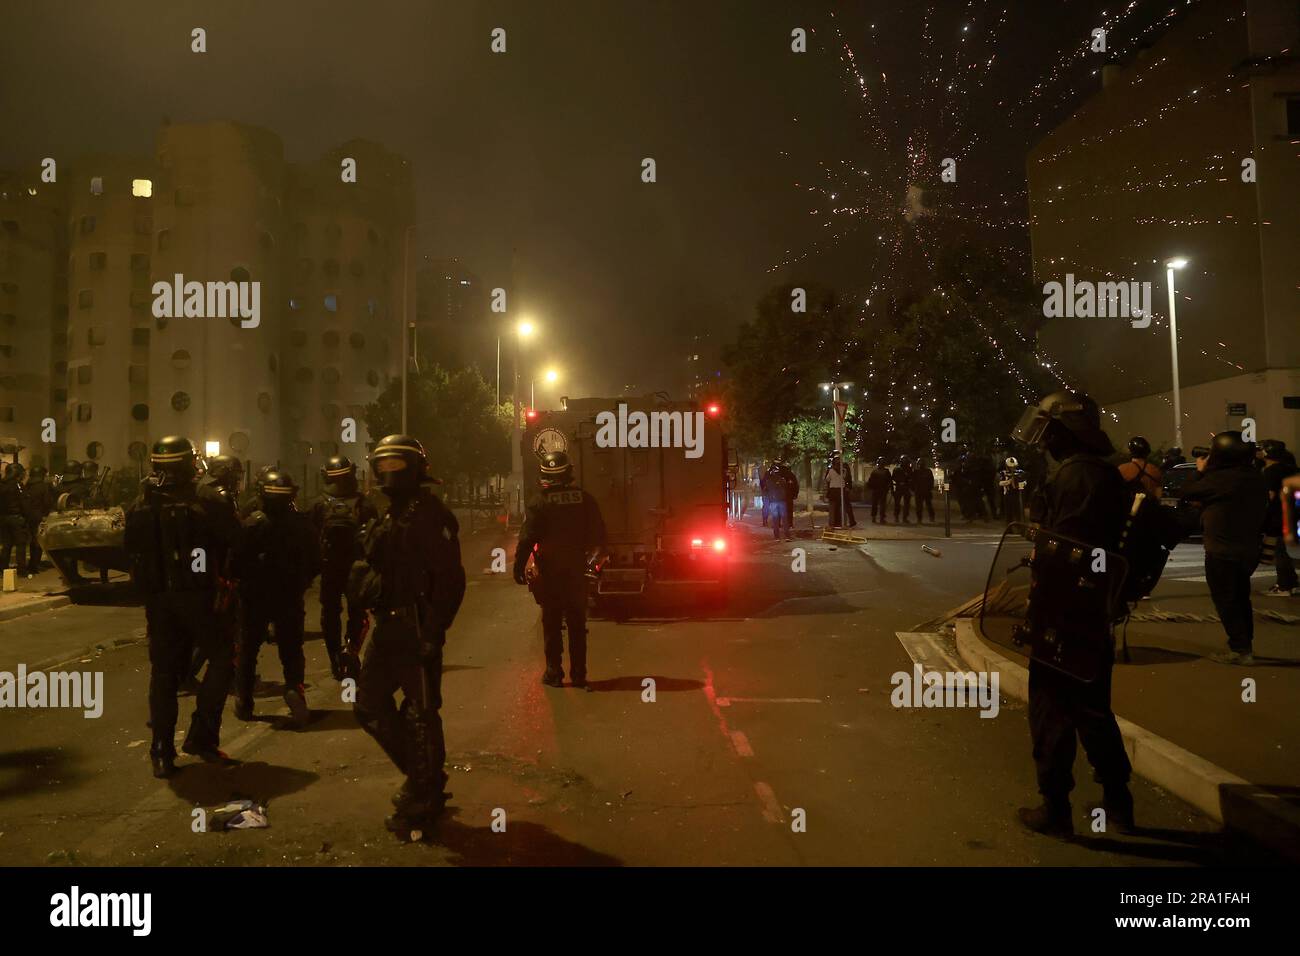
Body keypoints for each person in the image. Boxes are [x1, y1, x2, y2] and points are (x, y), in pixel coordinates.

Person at [1010, 390, 1134, 836]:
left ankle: (1055, 808)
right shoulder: (1100, 472)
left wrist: (1039, 601)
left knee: (1051, 711)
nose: (1043, 439)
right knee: (1093, 708)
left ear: (1065, 429)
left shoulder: (1077, 477)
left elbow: (1067, 551)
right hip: (1090, 610)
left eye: (1049, 429)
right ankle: (1119, 802)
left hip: (1065, 612)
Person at [351, 435, 466, 833]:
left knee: (420, 715)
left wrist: (433, 633)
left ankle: (424, 797)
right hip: (386, 627)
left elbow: (450, 582)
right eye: (381, 465)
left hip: (417, 627)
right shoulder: (386, 511)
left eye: (396, 465)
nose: (387, 473)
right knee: (368, 706)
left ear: (415, 468)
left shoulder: (432, 515)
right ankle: (424, 777)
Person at [123, 436, 242, 778]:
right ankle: (202, 736)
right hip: (202, 598)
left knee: (163, 674)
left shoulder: (140, 503)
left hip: (159, 601)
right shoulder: (209, 499)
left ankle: (161, 750)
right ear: (190, 463)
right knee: (222, 659)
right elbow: (238, 542)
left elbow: (129, 549)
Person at [232, 470, 321, 726]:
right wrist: (301, 582)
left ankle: (244, 701)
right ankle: (294, 691)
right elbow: (316, 561)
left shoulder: (252, 524)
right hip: (289, 595)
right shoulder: (303, 525)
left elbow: (235, 561)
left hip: (254, 597)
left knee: (249, 650)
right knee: (292, 649)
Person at [513, 450, 606, 688]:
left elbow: (526, 538)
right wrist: (593, 565)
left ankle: (554, 673)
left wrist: (518, 567)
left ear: (544, 474)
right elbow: (599, 538)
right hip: (576, 572)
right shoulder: (585, 499)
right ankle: (579, 674)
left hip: (550, 573)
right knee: (577, 624)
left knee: (552, 623)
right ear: (569, 473)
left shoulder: (539, 502)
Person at [1178, 433, 1269, 664]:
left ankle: (1240, 650)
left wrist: (1199, 469)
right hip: (1248, 549)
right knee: (1240, 597)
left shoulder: (1221, 479)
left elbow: (1187, 490)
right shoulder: (1254, 477)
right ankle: (1245, 644)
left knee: (1226, 600)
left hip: (1222, 550)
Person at [310, 455, 379, 679]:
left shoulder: (318, 504)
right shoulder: (364, 503)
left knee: (330, 612)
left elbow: (309, 538)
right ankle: (351, 651)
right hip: (357, 568)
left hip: (329, 566)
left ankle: (334, 658)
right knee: (357, 613)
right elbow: (375, 538)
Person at [1259, 440, 1298, 597]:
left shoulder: (1271, 471)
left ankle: (1284, 585)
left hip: (1280, 516)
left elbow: (1269, 496)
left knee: (1281, 551)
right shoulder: (1290, 468)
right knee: (1287, 550)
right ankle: (1291, 583)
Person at [21, 464, 54, 575]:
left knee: (32, 541)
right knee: (38, 541)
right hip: (39, 516)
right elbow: (47, 502)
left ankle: (32, 564)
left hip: (28, 516)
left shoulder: (26, 486)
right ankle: (34, 565)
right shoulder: (43, 486)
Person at [0, 462, 29, 576]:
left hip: (3, 518)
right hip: (16, 518)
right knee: (20, 544)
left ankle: (3, 569)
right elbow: (24, 502)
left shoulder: (1, 485)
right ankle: (22, 570)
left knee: (6, 545)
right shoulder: (17, 485)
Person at [824, 453, 850, 528]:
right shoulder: (844, 470)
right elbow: (845, 478)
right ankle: (843, 523)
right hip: (841, 491)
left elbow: (827, 479)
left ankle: (831, 524)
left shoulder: (831, 471)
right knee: (842, 508)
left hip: (833, 491)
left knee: (832, 508)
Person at [998, 456, 1027, 523]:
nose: (1012, 468)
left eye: (1014, 467)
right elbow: (1000, 483)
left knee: (1019, 511)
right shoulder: (1004, 473)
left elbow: (1025, 482)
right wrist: (1009, 481)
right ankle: (1009, 525)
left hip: (1018, 494)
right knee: (1008, 511)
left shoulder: (1020, 472)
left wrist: (1020, 483)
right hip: (1008, 494)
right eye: (1010, 467)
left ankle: (1020, 525)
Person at [868, 458, 892, 524]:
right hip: (879, 490)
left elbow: (889, 481)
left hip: (880, 490)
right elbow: (871, 481)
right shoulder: (877, 471)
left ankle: (877, 518)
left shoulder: (878, 471)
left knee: (878, 505)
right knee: (879, 505)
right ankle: (878, 518)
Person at [911, 460, 936, 524]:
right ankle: (919, 519)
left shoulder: (928, 471)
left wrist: (929, 488)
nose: (920, 465)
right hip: (919, 491)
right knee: (919, 506)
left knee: (928, 505)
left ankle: (931, 517)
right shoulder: (916, 472)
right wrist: (914, 489)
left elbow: (931, 481)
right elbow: (913, 481)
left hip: (926, 491)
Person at [892, 456, 915, 524]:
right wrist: (899, 481)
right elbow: (893, 477)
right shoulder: (897, 469)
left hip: (906, 488)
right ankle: (896, 517)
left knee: (907, 504)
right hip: (899, 487)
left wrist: (909, 483)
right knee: (897, 504)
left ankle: (905, 518)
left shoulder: (909, 469)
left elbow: (912, 478)